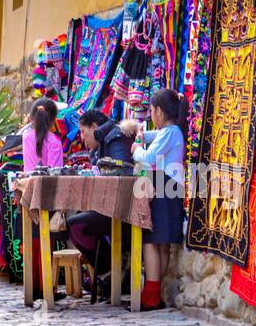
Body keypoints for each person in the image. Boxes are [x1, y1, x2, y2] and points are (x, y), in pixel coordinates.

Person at [131, 87, 188, 311]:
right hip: (170, 187)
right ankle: (154, 294)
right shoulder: (171, 132)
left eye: (152, 111)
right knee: (161, 245)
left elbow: (148, 157)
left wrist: (136, 148)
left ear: (160, 112)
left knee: (152, 242)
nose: (151, 116)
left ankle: (151, 297)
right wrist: (143, 135)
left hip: (164, 187)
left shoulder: (171, 133)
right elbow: (155, 137)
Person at [66, 109, 135, 275]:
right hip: (108, 206)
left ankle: (110, 272)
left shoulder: (116, 138)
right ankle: (109, 272)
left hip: (123, 210)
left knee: (76, 225)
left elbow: (122, 175)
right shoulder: (101, 145)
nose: (81, 137)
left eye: (83, 131)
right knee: (72, 221)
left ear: (95, 126)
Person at [22, 96, 64, 170]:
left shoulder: (26, 136)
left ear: (31, 118)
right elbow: (55, 174)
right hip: (46, 181)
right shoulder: (54, 142)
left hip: (27, 180)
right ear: (54, 120)